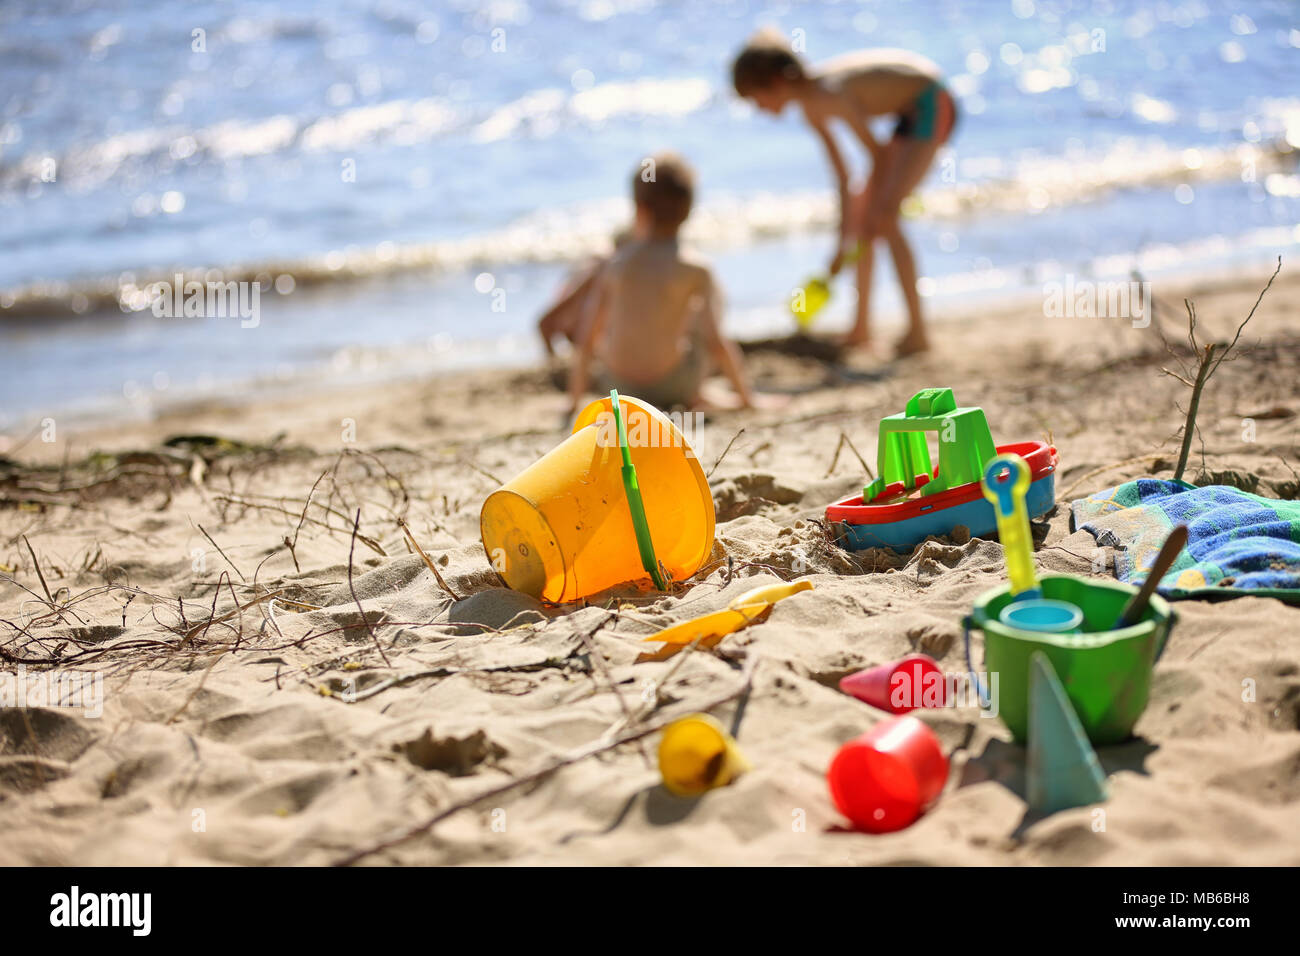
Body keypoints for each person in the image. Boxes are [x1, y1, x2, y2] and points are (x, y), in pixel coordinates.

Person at [731, 31, 957, 355]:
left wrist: (874, 212)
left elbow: (875, 154)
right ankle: (860, 329)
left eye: (757, 99)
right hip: (907, 113)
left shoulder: (830, 94)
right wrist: (843, 241)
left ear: (777, 82)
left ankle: (918, 333)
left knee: (885, 217)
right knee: (867, 221)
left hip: (932, 101)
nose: (760, 110)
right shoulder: (811, 109)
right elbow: (842, 176)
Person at [566, 151, 755, 413]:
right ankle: (699, 394)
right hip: (674, 385)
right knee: (705, 308)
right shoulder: (696, 268)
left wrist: (573, 403)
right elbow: (716, 343)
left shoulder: (616, 265)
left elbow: (587, 339)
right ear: (688, 210)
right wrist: (748, 400)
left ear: (640, 209)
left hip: (619, 388)